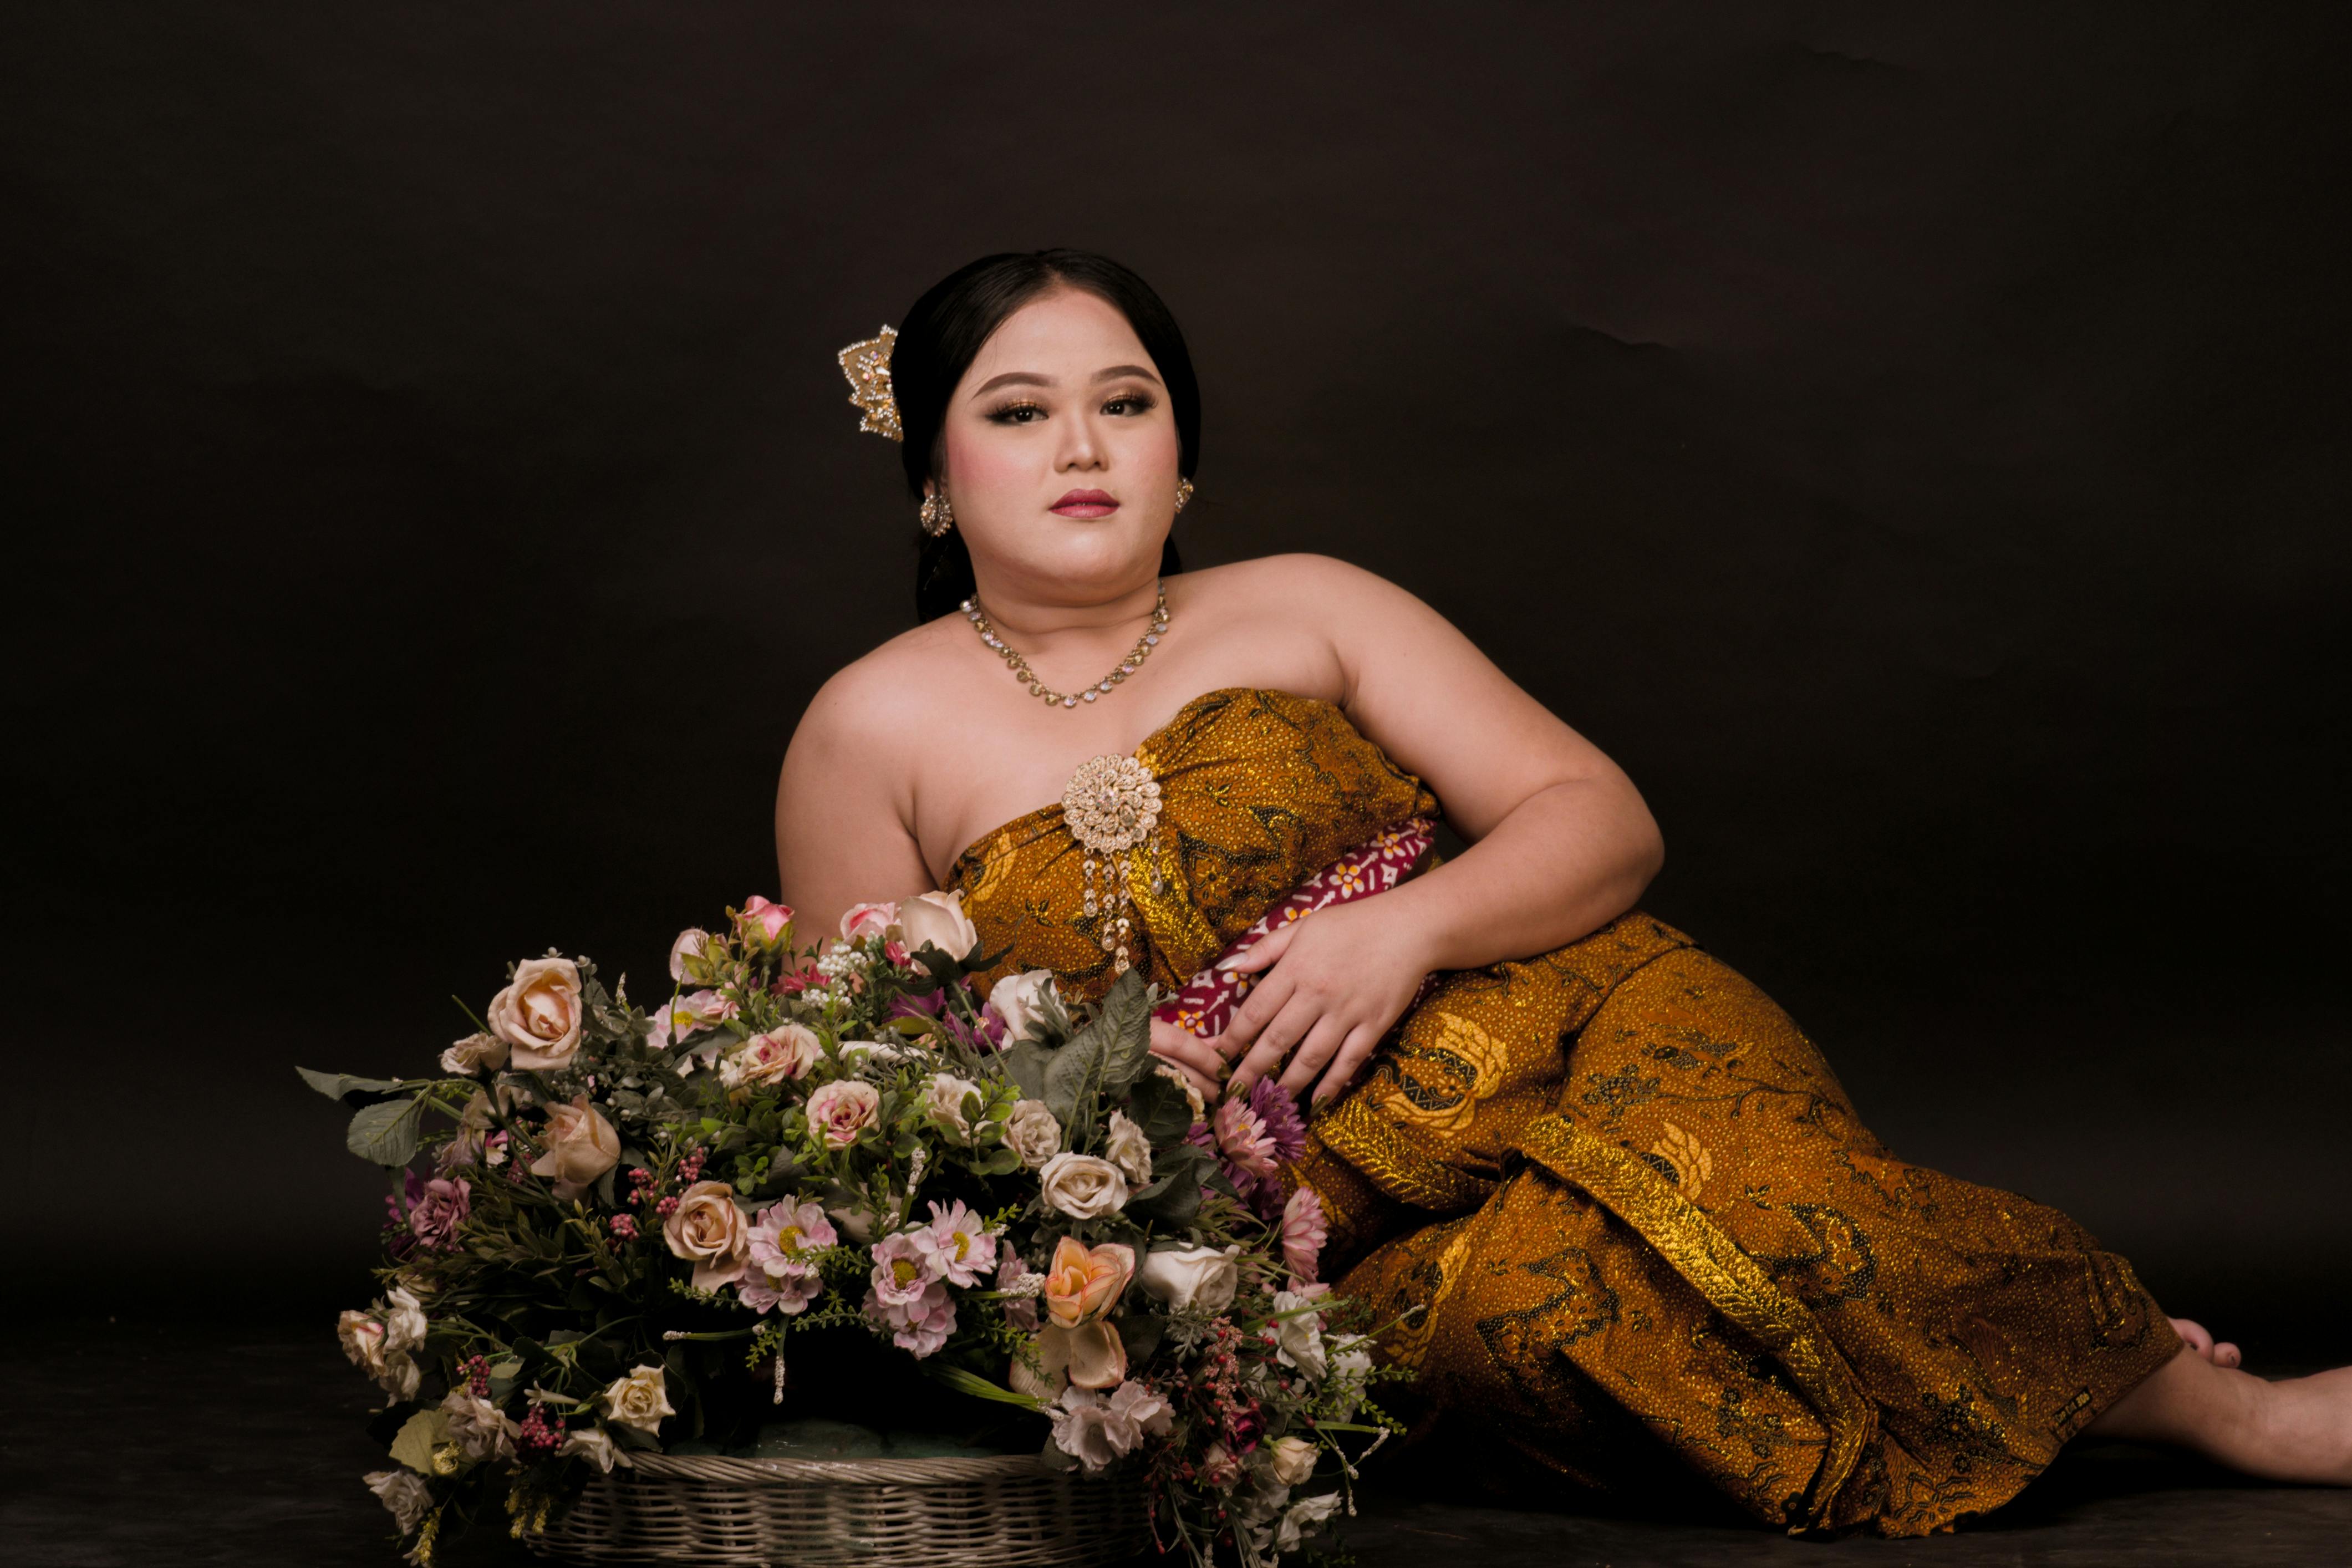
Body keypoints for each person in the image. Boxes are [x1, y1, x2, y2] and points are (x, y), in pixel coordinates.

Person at [775, 250, 2348, 1535]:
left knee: (1734, 1182)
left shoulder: (1310, 605)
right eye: (1020, 409)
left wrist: (1404, 929)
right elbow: (871, 1094)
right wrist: (1096, 1088)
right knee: (1551, 1323)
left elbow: (1599, 814)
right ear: (930, 472)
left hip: (1578, 1015)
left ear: (1181, 454)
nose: (1081, 446)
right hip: (1313, 1229)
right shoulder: (868, 729)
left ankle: (2223, 1407)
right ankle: (2042, 1378)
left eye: (1125, 402)